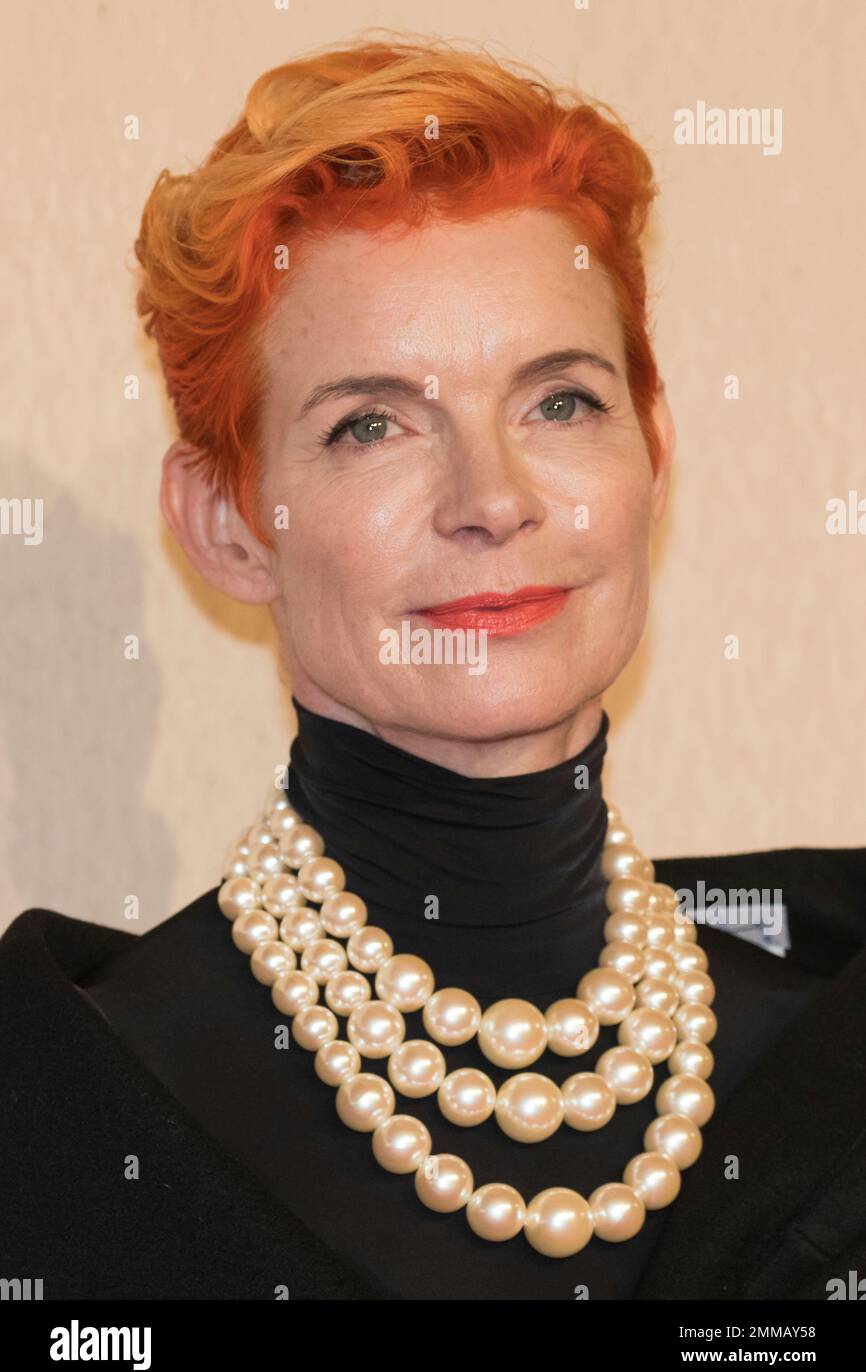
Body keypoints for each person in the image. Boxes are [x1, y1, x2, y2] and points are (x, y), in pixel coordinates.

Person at [2, 35, 865, 1302]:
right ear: (230, 522)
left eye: (558, 401)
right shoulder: (57, 1121)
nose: (490, 498)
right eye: (372, 423)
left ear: (653, 447)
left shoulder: (826, 1064)